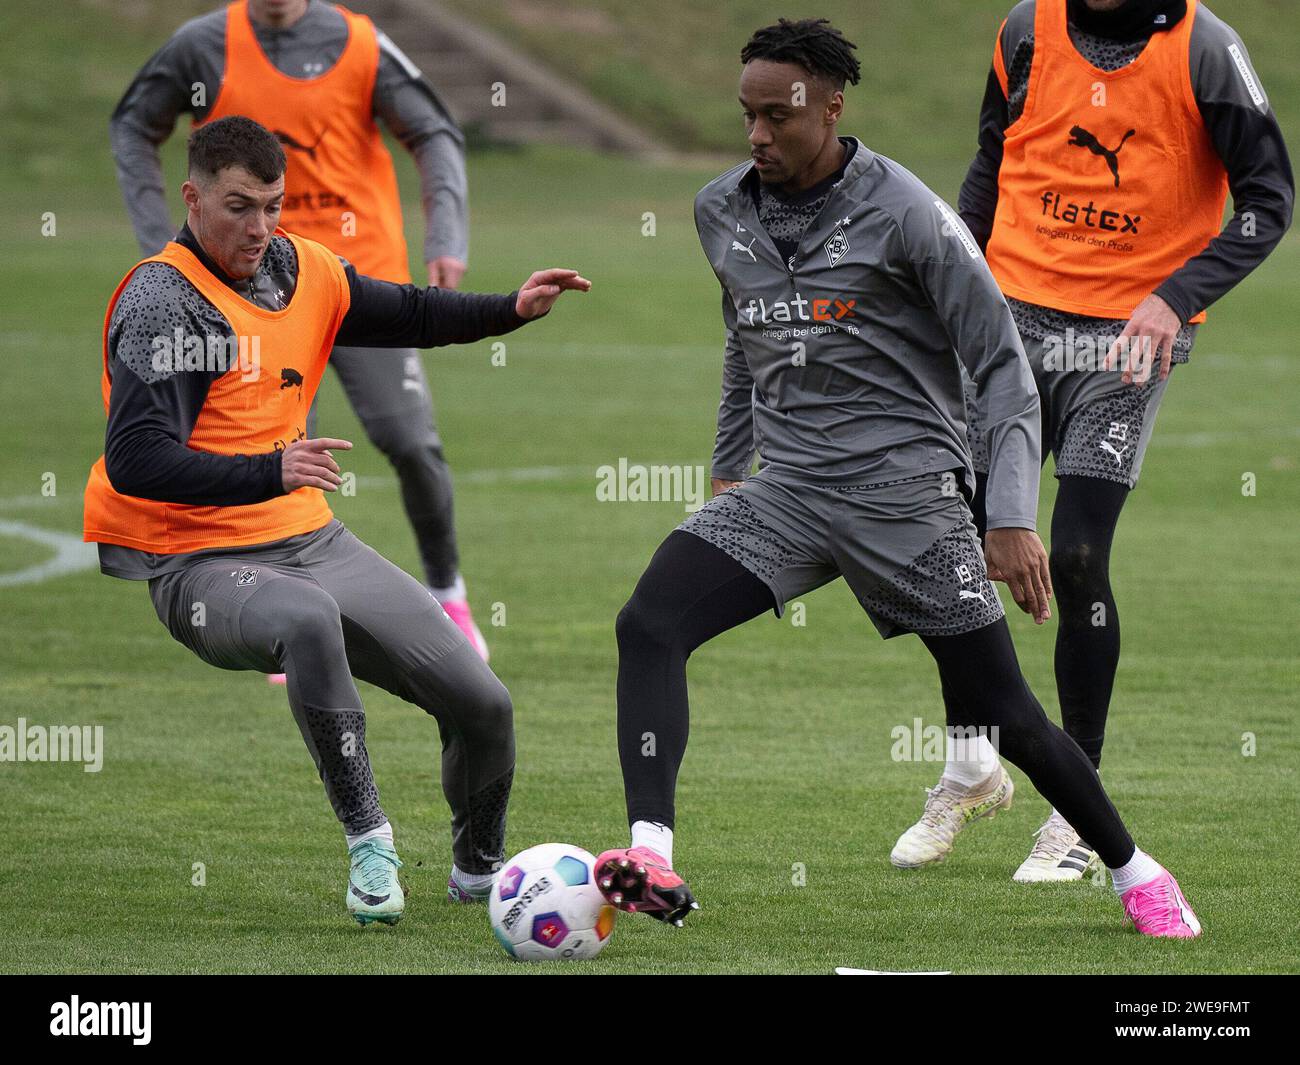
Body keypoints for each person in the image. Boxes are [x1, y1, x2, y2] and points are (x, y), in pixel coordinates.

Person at [595, 18, 1200, 937]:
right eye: (747, 116)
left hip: (908, 500)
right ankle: (652, 852)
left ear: (832, 109)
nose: (758, 134)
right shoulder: (720, 208)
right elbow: (743, 339)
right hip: (788, 492)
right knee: (649, 623)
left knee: (1007, 715)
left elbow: (1000, 362)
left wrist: (1007, 514)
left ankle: (1137, 872)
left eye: (778, 116)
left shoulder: (909, 210)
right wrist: (727, 471)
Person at [83, 116, 589, 923]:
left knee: (484, 702)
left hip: (312, 540)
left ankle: (478, 873)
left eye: (273, 206)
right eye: (239, 207)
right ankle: (370, 844)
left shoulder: (298, 266)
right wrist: (268, 469)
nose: (260, 227)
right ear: (192, 197)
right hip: (196, 562)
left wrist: (511, 308)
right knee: (308, 617)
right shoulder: (164, 300)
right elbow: (137, 460)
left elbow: (411, 313)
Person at [892, 0, 1293, 881]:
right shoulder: (1025, 31)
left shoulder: (1207, 50)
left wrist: (1178, 294)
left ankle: (1076, 809)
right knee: (954, 546)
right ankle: (968, 768)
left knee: (1074, 554)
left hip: (1127, 335)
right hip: (1009, 322)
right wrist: (962, 284)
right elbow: (993, 165)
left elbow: (1271, 201)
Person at [111, 0, 494, 662]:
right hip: (248, 299)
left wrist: (447, 232)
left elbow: (433, 129)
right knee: (278, 460)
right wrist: (163, 245)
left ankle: (451, 597)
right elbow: (132, 125)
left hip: (358, 285)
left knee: (409, 441)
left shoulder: (358, 42)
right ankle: (295, 625)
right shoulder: (203, 44)